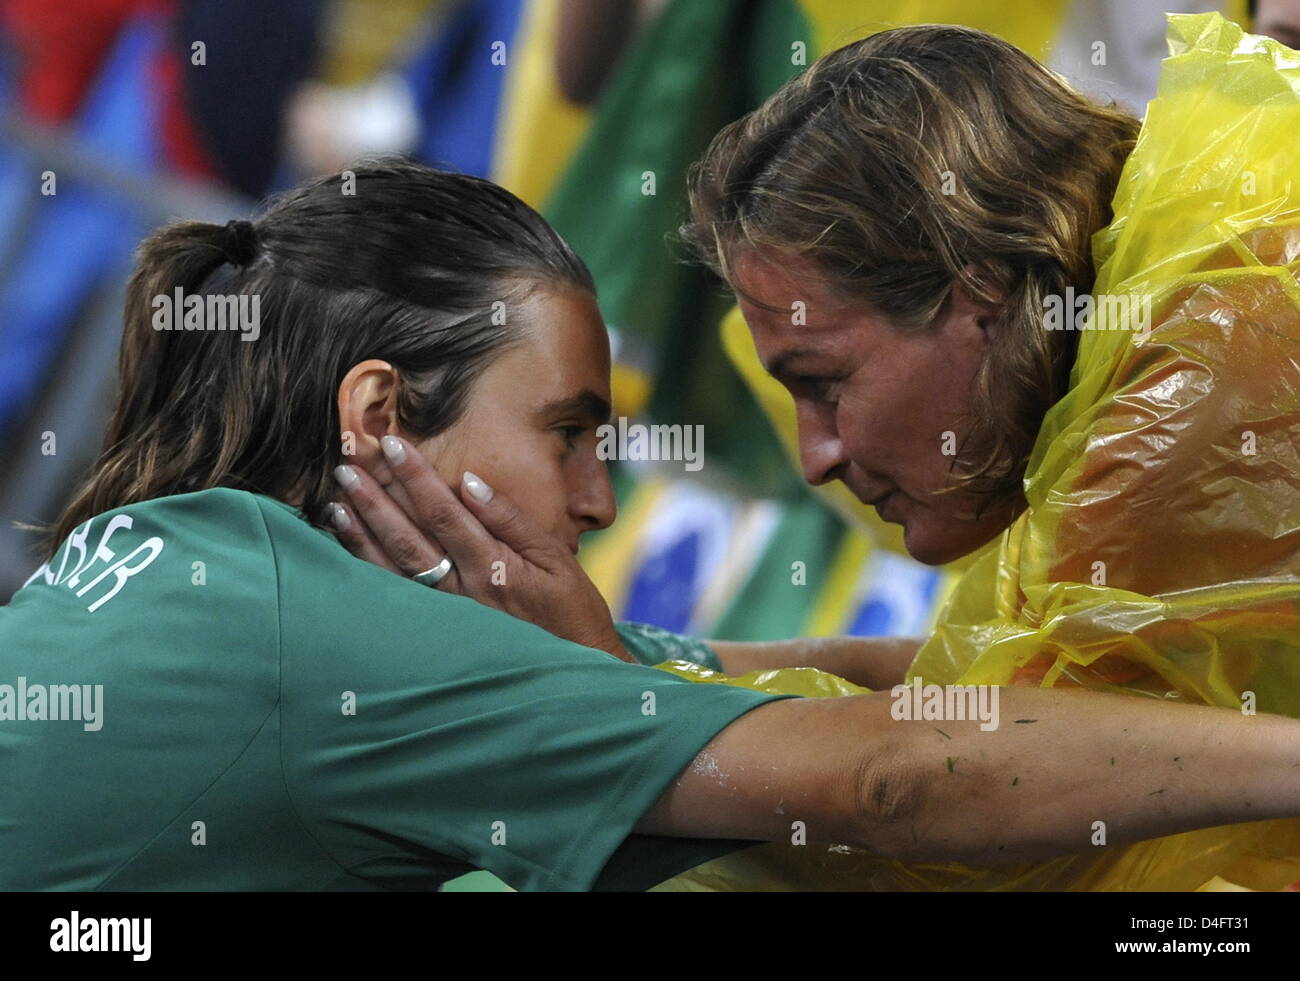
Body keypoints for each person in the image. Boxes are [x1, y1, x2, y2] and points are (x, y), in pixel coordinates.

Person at [4, 161, 1300, 894]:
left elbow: (849, 679)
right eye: (567, 432)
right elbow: (885, 773)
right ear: (383, 416)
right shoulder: (343, 645)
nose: (600, 503)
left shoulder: (201, 561)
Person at [332, 13, 1300, 891]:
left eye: (824, 385)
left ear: (978, 288)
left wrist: (614, 700)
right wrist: (621, 662)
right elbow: (972, 698)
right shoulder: (1159, 282)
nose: (814, 460)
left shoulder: (1199, 373)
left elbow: (963, 825)